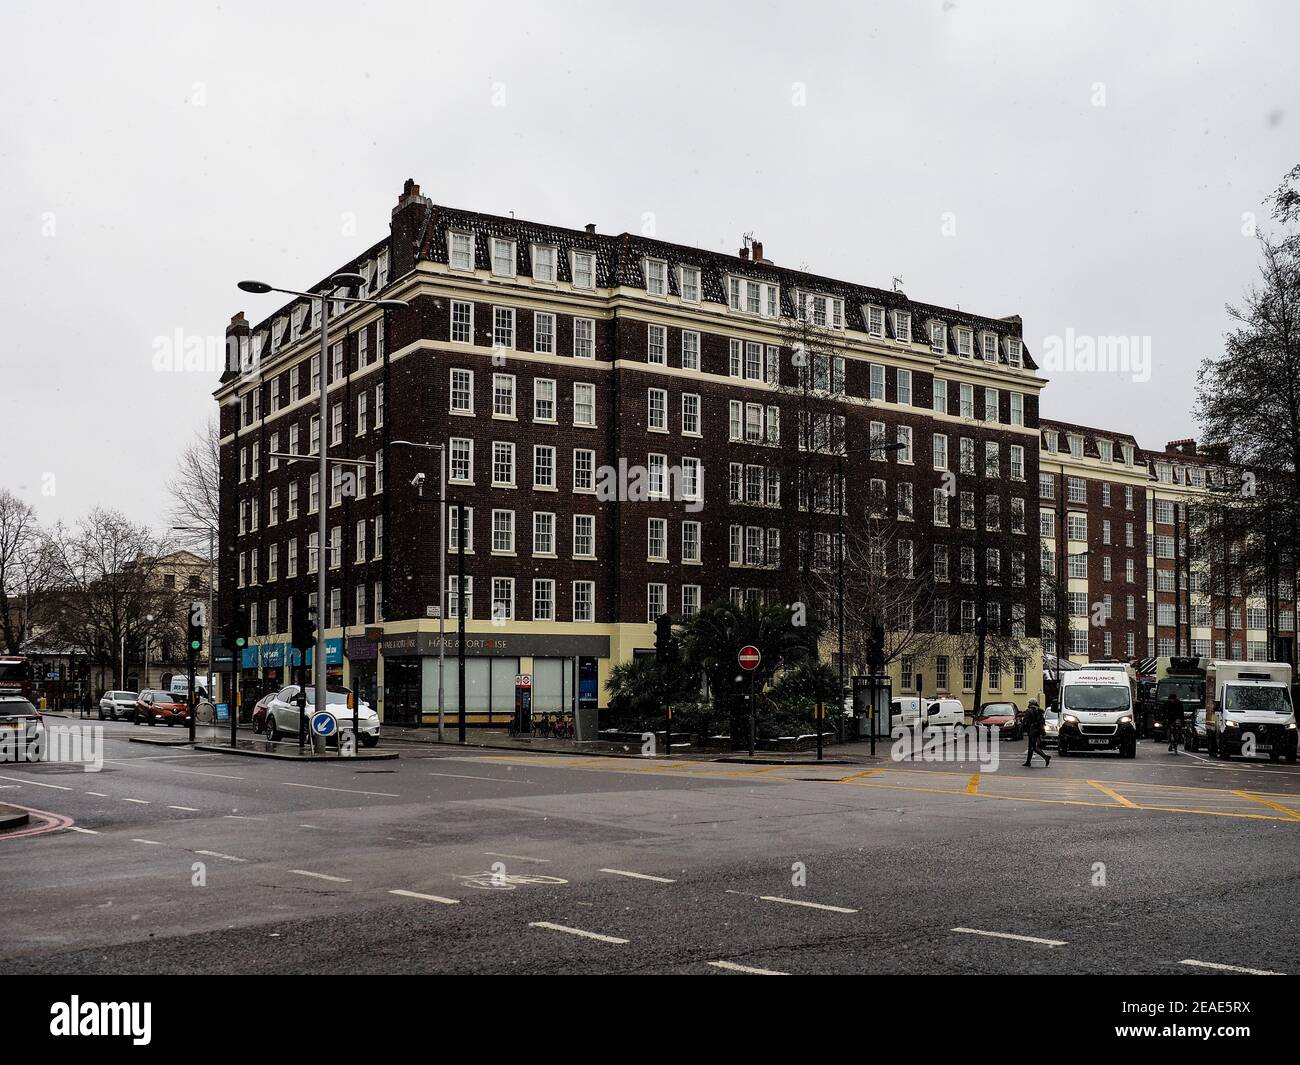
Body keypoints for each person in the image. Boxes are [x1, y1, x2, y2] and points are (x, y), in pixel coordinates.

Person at [1023, 699, 1051, 767]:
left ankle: (1046, 757)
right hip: (1037, 730)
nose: (1028, 704)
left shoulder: (1028, 711)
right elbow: (1042, 722)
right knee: (1031, 747)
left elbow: (1025, 721)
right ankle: (1028, 762)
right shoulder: (1039, 711)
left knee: (1033, 747)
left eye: (1029, 703)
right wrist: (1042, 731)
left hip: (1032, 730)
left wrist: (1023, 728)